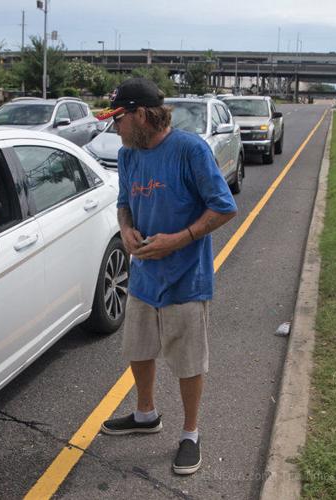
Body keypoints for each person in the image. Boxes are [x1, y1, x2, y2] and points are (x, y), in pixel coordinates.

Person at [96, 78, 237, 475]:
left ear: (141, 115)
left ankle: (190, 433)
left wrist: (177, 240)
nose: (115, 128)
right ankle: (146, 414)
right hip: (142, 275)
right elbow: (125, 204)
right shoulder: (129, 155)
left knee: (188, 359)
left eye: (119, 119)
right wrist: (125, 230)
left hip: (185, 278)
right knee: (139, 349)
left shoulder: (190, 150)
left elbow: (224, 207)